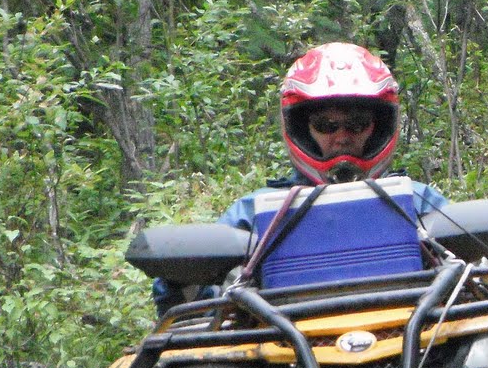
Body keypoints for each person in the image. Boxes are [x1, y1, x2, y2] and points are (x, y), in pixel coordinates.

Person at [154, 41, 448, 309]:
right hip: (279, 356)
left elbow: (482, 270)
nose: (342, 137)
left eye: (357, 124)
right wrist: (178, 277)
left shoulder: (417, 200)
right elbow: (188, 308)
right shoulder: (254, 212)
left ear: (378, 127)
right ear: (302, 128)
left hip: (416, 347)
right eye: (325, 125)